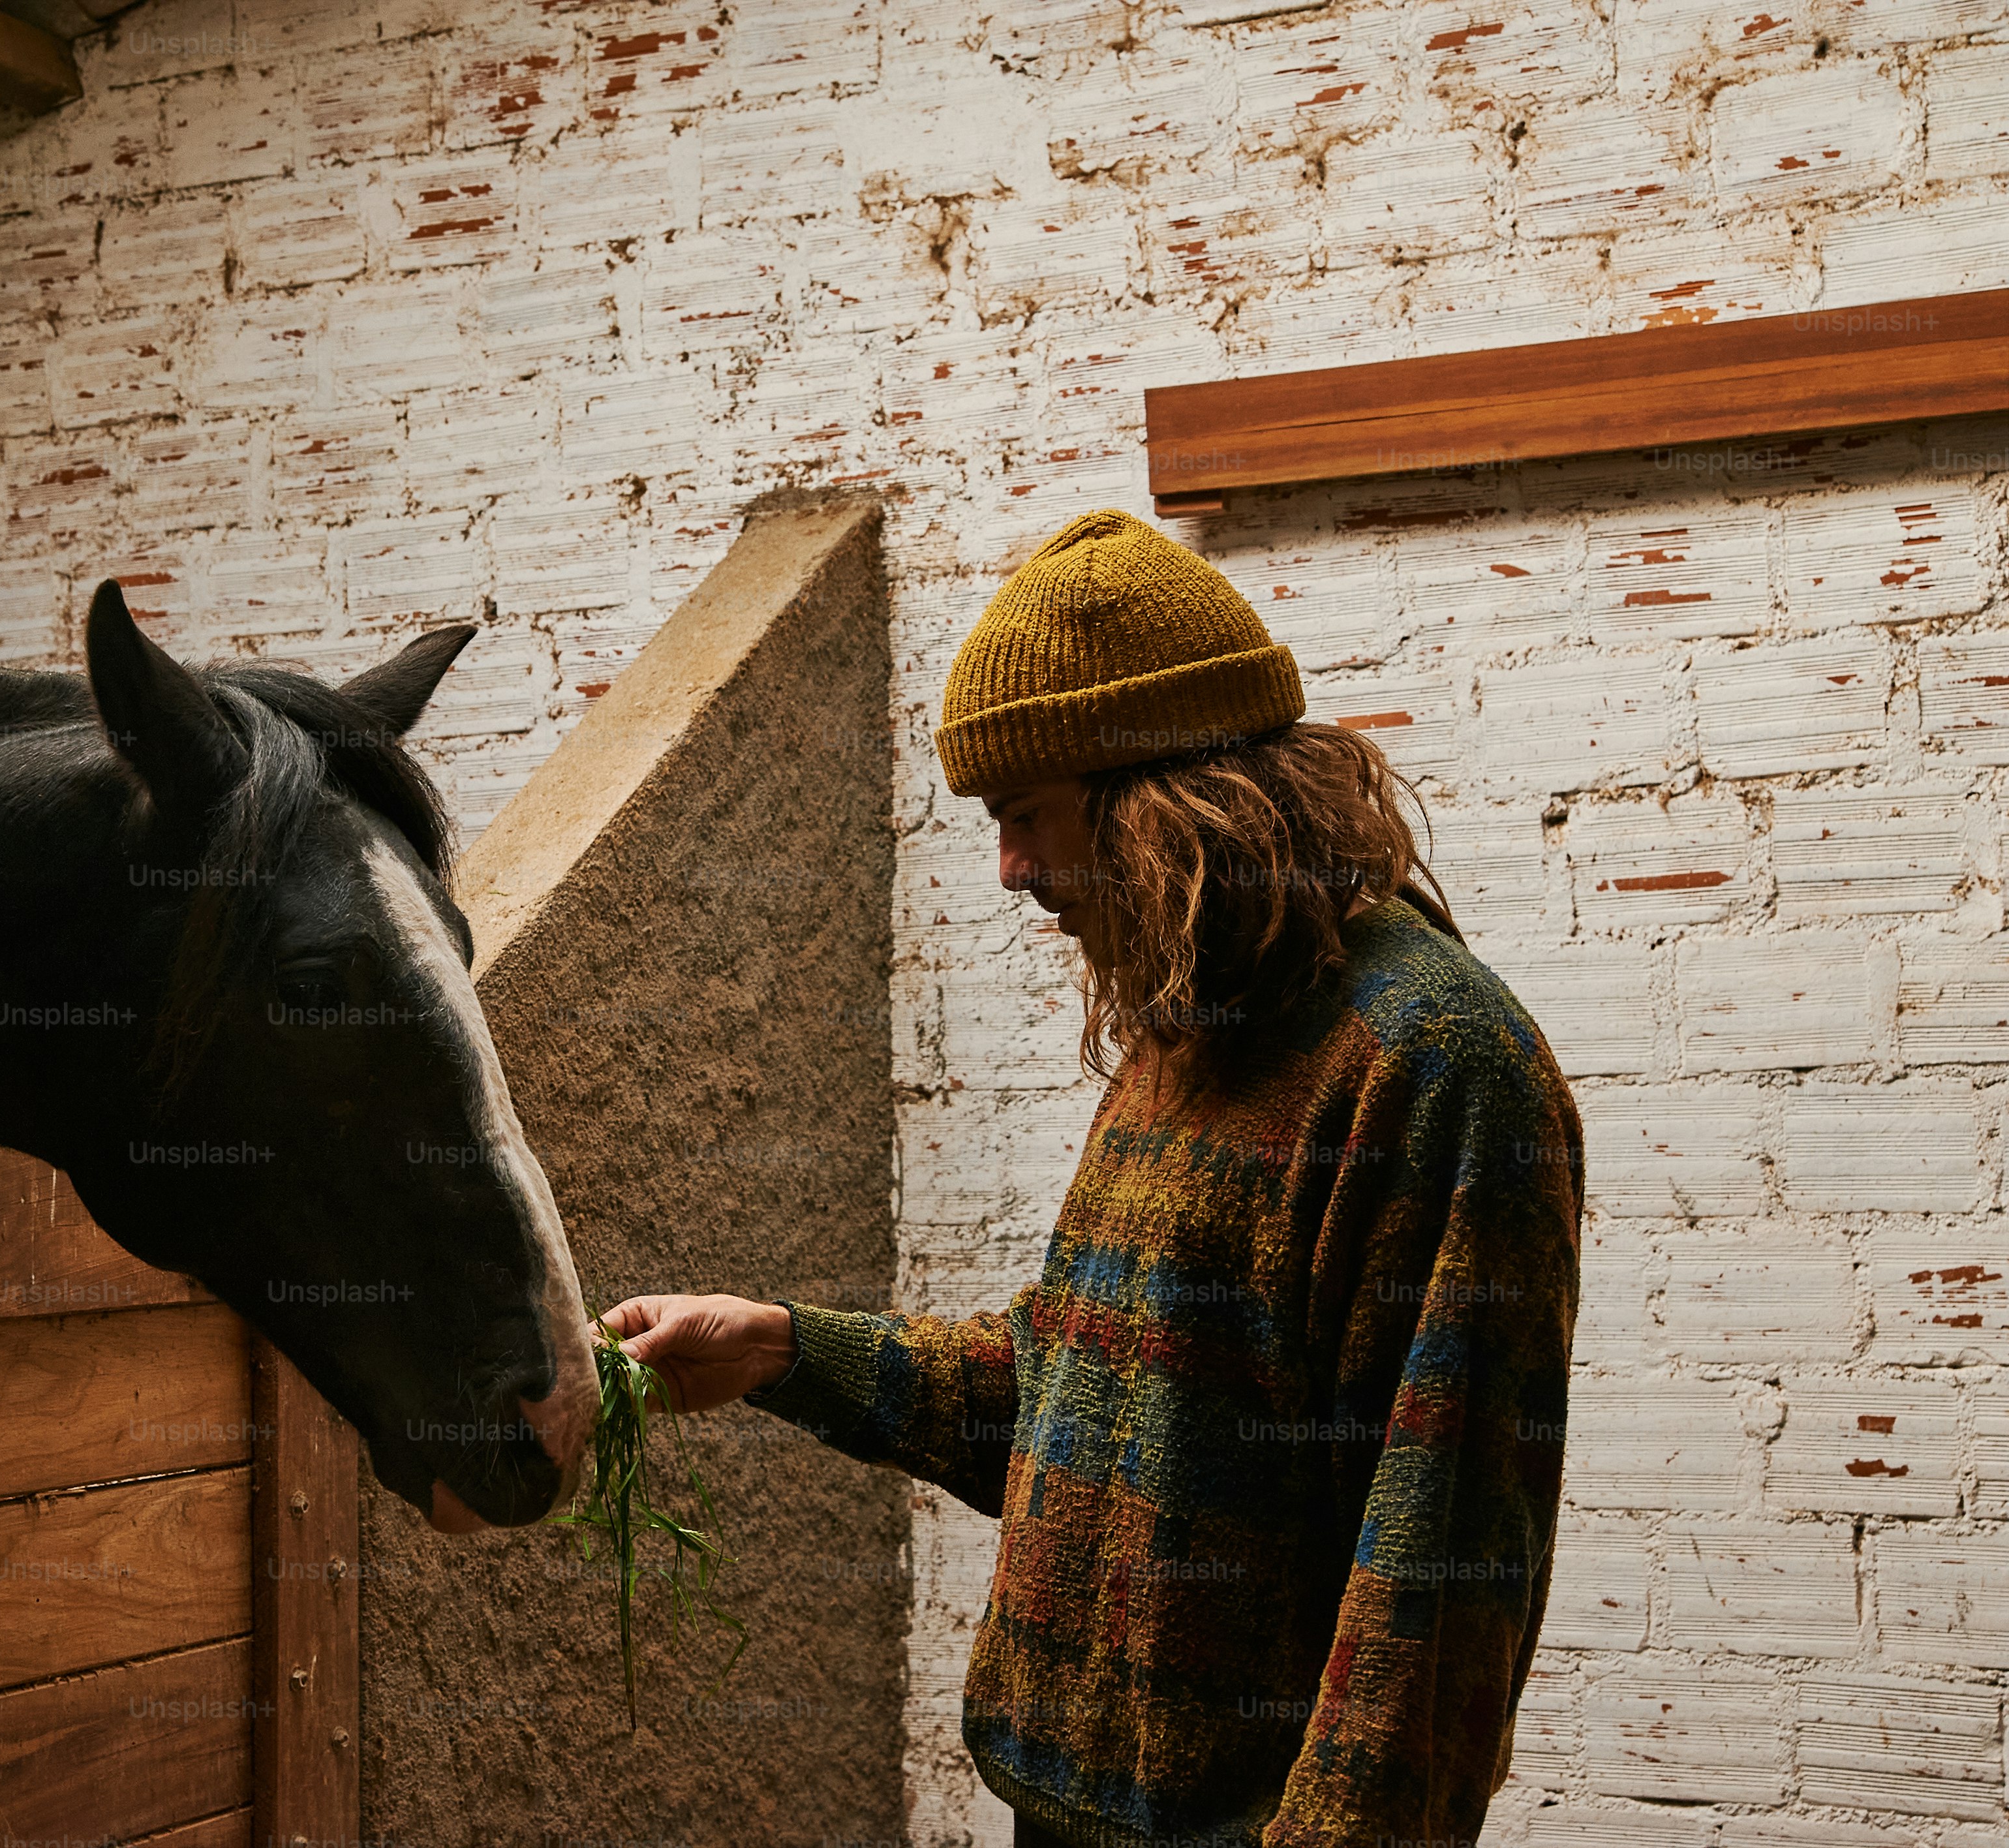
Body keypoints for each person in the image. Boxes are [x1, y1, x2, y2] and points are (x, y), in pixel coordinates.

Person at [604, 508, 1584, 1848]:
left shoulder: (1433, 1063)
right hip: (1062, 1816)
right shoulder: (1189, 1030)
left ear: (1158, 795)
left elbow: (1437, 1582)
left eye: (1023, 815)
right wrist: (783, 1352)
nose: (1009, 872)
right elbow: (1072, 1393)